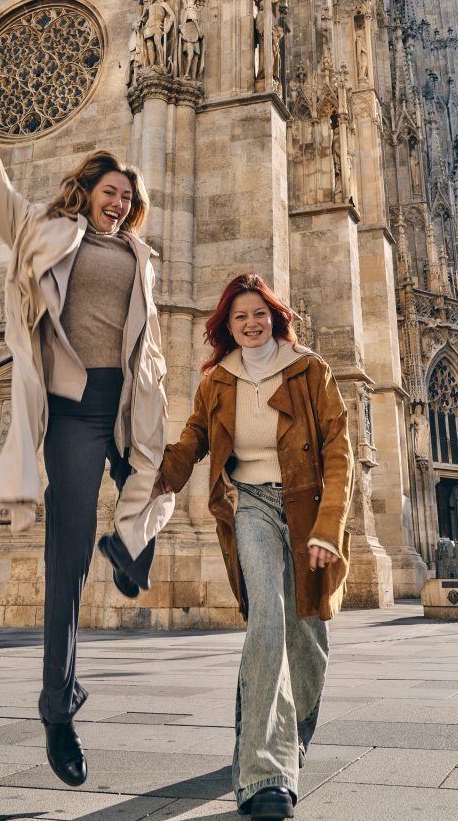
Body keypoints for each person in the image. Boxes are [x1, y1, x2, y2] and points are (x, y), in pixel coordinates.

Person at [0, 49, 175, 788]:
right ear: (88, 187)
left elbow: (148, 336)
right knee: (65, 562)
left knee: (163, 482)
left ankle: (130, 548)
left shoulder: (141, 255)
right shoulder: (40, 228)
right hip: (76, 408)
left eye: (126, 197)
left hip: (129, 403)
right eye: (111, 190)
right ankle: (58, 702)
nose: (118, 201)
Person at [159, 274, 354, 819]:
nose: (250, 323)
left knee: (308, 637)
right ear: (227, 325)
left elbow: (340, 453)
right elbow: (195, 436)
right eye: (239, 316)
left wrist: (327, 528)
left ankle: (288, 741)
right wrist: (159, 475)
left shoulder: (309, 369)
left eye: (258, 314)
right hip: (250, 506)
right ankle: (267, 775)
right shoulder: (217, 379)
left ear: (275, 317)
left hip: (306, 509)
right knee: (267, 620)